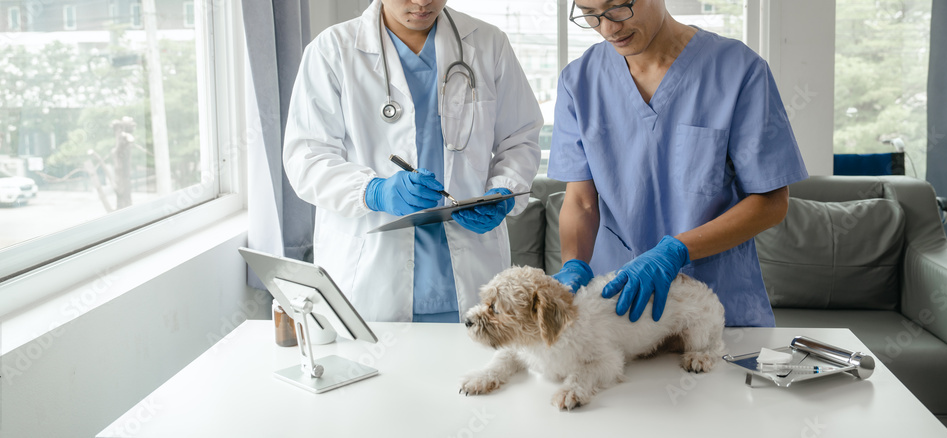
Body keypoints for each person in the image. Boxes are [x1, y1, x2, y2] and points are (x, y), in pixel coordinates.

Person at [548, 0, 808, 327]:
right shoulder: (579, 81)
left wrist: (677, 250)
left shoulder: (738, 70)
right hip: (617, 310)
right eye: (590, 14)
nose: (608, 28)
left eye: (618, 7)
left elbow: (771, 202)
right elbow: (582, 203)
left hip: (716, 309)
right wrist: (574, 265)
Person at [282, 0, 542, 323]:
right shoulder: (331, 51)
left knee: (479, 370)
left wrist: (504, 191)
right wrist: (373, 191)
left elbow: (520, 138)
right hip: (370, 282)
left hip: (473, 276)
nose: (422, 2)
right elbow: (305, 158)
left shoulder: (489, 45)